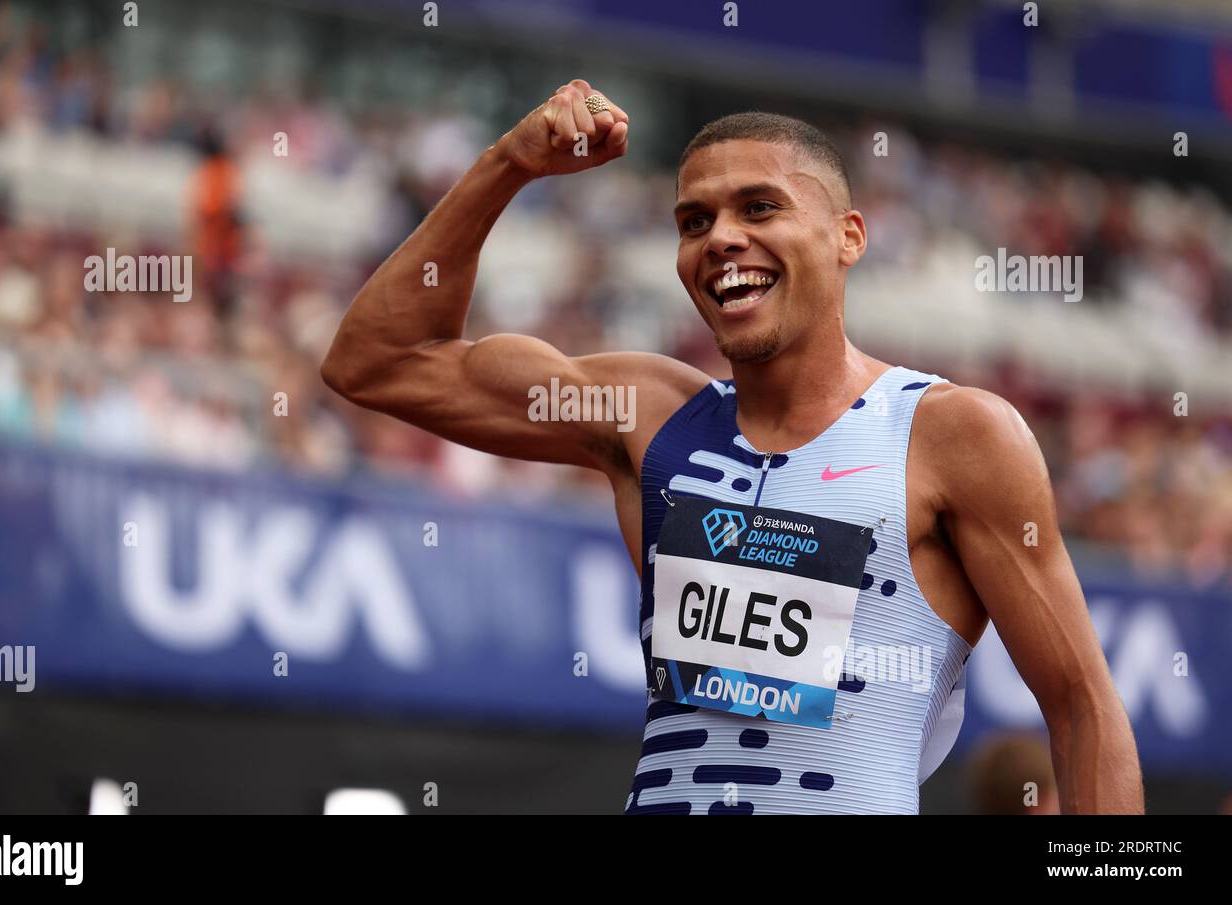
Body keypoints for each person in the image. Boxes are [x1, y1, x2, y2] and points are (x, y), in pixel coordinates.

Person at [321, 79, 1143, 814]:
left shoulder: (951, 433)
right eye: (693, 220)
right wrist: (509, 162)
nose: (720, 238)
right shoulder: (645, 416)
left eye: (759, 207)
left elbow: (1080, 701)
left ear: (849, 236)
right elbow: (377, 363)